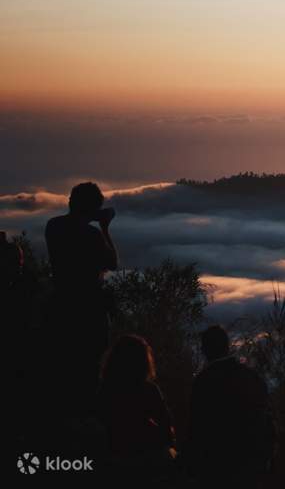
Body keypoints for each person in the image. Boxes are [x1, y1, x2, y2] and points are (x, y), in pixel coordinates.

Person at [45, 182, 119, 412]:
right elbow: (112, 264)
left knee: (63, 370)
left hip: (61, 307)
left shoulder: (53, 226)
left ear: (71, 202)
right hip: (89, 312)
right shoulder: (92, 235)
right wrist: (104, 227)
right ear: (93, 208)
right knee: (90, 370)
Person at [187, 325, 274, 487]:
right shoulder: (251, 377)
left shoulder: (204, 382)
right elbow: (266, 419)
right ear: (227, 347)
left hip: (218, 470)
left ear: (206, 349)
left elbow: (197, 428)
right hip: (251, 468)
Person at [98, 334, 176, 484]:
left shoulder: (104, 390)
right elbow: (166, 426)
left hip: (112, 460)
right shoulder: (149, 390)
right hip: (145, 462)